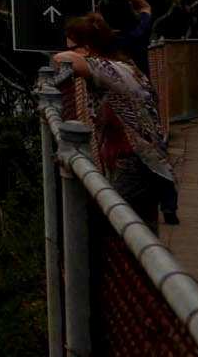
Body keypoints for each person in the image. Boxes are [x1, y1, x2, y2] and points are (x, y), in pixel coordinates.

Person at [54, 12, 178, 229]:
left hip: (135, 163)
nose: (68, 50)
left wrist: (68, 59)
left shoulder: (108, 70)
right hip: (145, 162)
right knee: (139, 229)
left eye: (72, 46)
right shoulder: (125, 66)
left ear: (88, 48)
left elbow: (61, 59)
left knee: (112, 226)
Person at [96, 0, 156, 83]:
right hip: (144, 85)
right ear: (128, 8)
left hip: (118, 88)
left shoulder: (104, 39)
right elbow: (144, 6)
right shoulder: (141, 29)